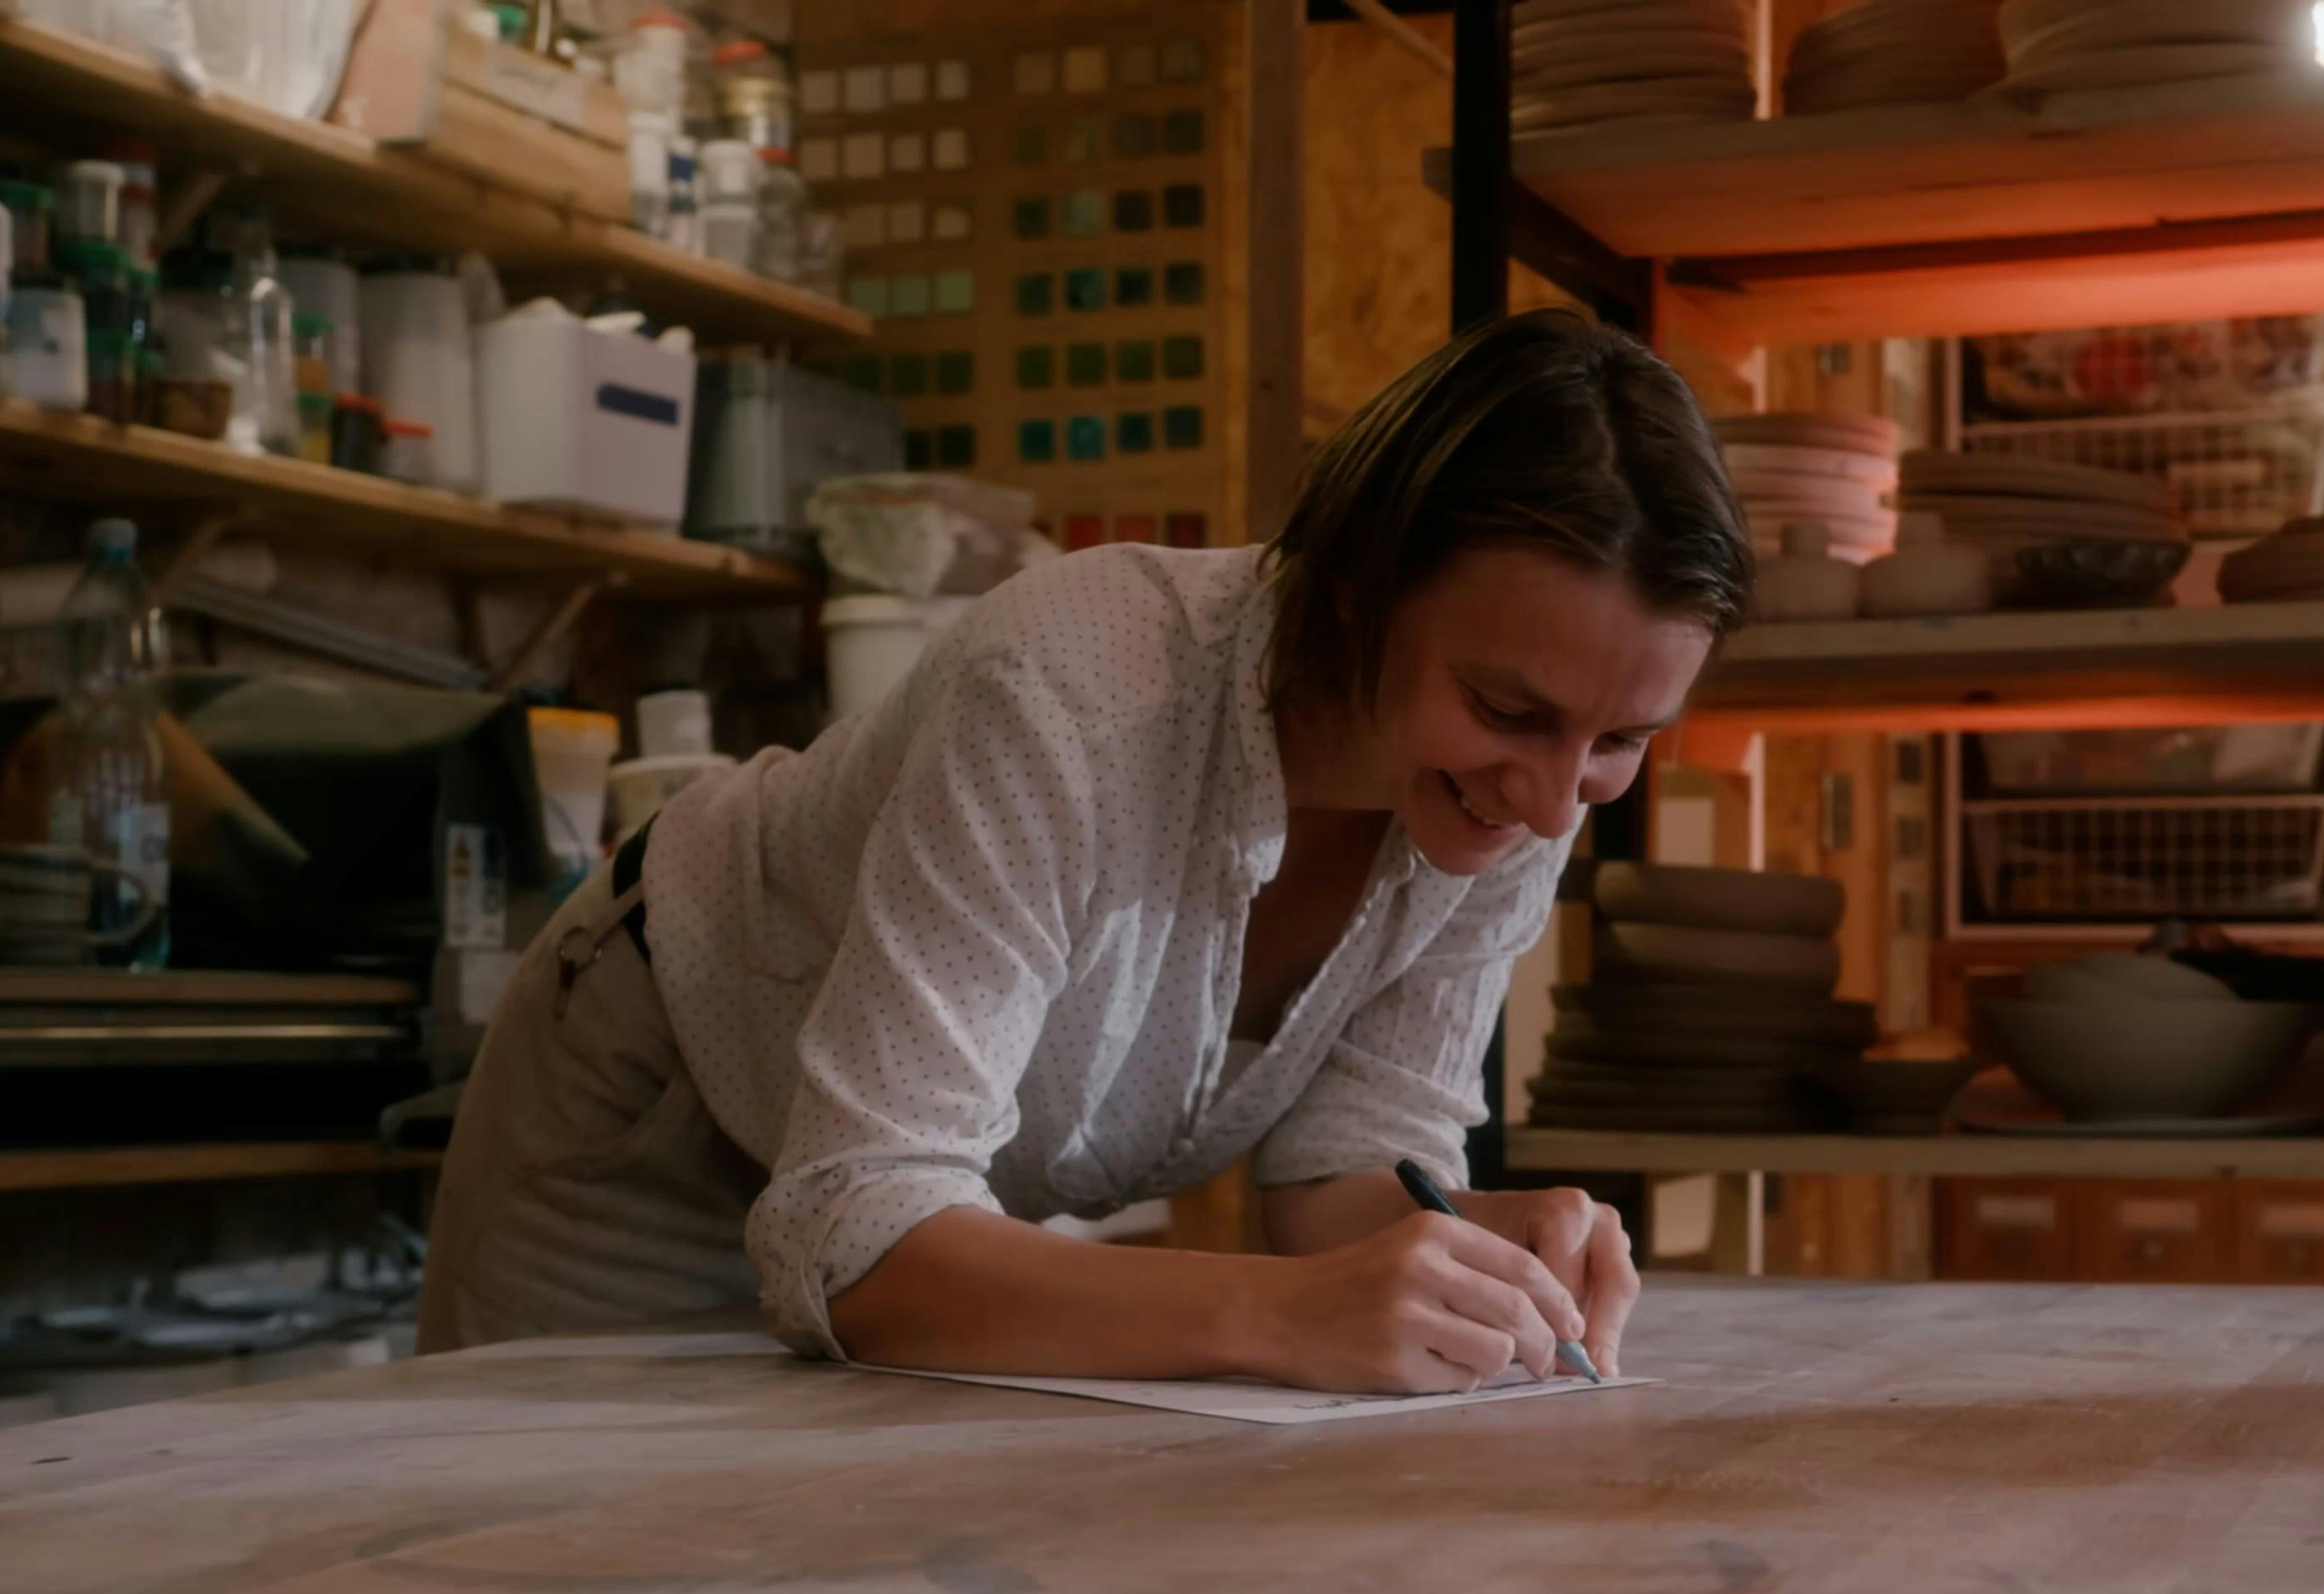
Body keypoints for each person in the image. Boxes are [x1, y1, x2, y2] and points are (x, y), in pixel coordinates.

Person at [417, 308, 1750, 1392]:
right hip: (657, 1102)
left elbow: (1345, 1164)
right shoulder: (1077, 686)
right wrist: (1285, 1316)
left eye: (1623, 741)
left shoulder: (1508, 793)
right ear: (1356, 583)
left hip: (907, 1218)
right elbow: (862, 1239)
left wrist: (1451, 1247)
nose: (1558, 805)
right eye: (1509, 711)